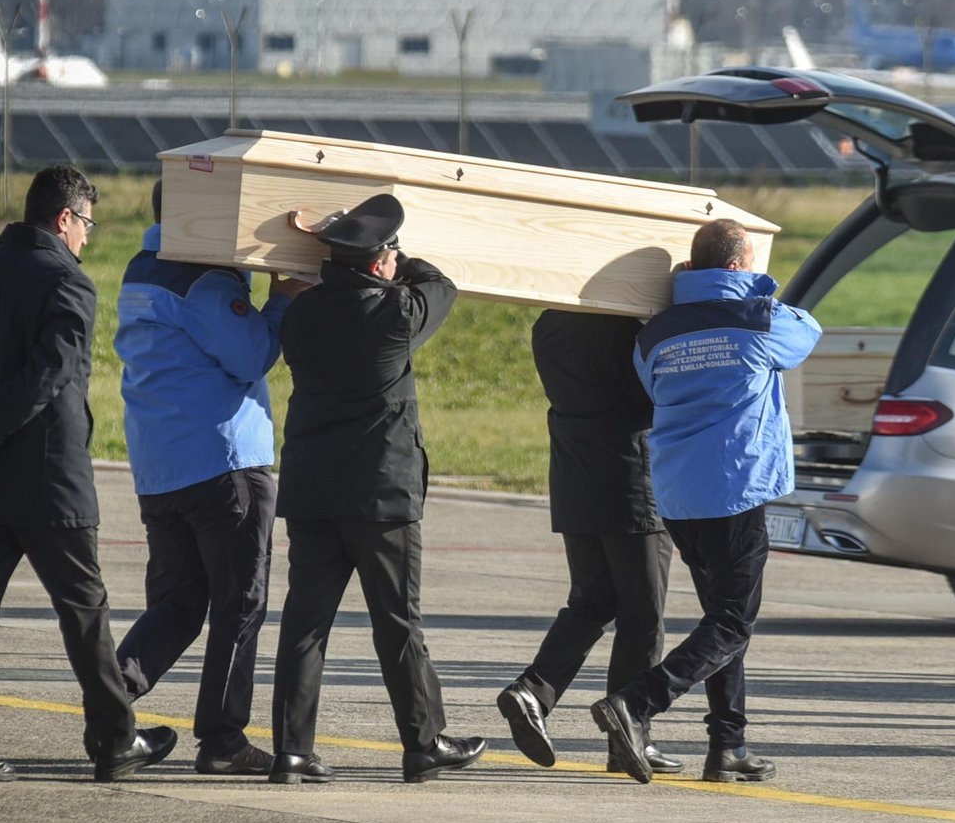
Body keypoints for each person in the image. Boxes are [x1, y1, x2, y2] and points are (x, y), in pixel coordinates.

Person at [0, 164, 175, 782]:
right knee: (85, 614)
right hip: (49, 481)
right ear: (64, 219)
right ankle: (114, 741)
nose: (88, 237)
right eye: (86, 224)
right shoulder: (67, 283)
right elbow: (47, 375)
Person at [265, 193, 485, 784]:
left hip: (313, 491)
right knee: (396, 622)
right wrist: (375, 250)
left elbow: (336, 281)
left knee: (305, 623)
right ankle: (423, 743)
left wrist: (334, 241)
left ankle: (290, 751)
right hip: (381, 496)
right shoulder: (397, 315)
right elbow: (441, 283)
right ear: (382, 261)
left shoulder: (301, 314)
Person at [591, 218, 821, 784]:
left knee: (720, 619)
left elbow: (650, 386)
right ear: (741, 266)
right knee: (732, 624)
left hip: (678, 496)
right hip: (736, 487)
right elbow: (807, 333)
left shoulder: (654, 335)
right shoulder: (760, 318)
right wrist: (756, 291)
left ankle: (728, 747)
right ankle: (637, 703)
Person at [112, 181, 301, 776]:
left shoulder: (141, 270)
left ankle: (108, 709)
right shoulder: (206, 283)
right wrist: (284, 296)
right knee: (239, 604)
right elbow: (250, 356)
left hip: (161, 467)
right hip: (225, 467)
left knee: (177, 604)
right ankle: (222, 739)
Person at [495, 309, 681, 775]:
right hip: (630, 478)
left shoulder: (548, 325)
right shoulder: (635, 336)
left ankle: (534, 690)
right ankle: (630, 731)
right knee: (642, 613)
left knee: (592, 601)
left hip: (575, 476)